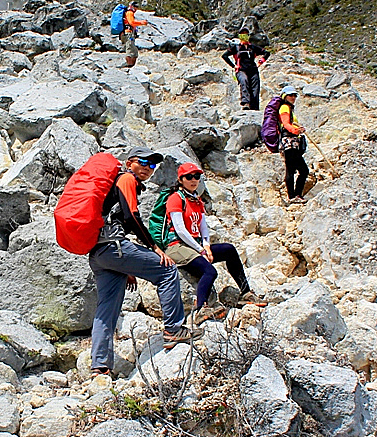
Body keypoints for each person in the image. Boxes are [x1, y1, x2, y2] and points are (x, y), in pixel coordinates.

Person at [88, 146, 195, 375]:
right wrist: (155, 247)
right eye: (142, 163)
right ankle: (174, 329)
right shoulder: (127, 179)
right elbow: (131, 217)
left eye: (152, 165)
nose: (147, 168)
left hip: (99, 254)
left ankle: (100, 366)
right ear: (129, 163)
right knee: (167, 270)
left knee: (106, 308)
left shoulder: (116, 183)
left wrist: (126, 267)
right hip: (114, 247)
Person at [160, 162, 261, 318]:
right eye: (189, 177)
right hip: (177, 246)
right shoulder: (175, 199)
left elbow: (203, 228)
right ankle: (201, 309)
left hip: (194, 245)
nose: (193, 180)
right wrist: (201, 250)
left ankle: (246, 293)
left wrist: (206, 246)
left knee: (228, 249)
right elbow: (180, 230)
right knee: (209, 271)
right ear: (180, 179)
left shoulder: (196, 200)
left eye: (197, 176)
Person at [222, 27, 270, 110]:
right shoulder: (236, 47)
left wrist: (260, 62)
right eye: (242, 34)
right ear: (240, 36)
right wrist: (234, 66)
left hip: (253, 70)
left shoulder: (253, 47)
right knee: (244, 81)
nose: (244, 36)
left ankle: (254, 108)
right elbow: (224, 56)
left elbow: (266, 53)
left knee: (255, 88)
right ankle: (245, 103)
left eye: (246, 34)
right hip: (241, 70)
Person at [278, 86, 309, 205]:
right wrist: (296, 131)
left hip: (291, 142)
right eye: (291, 95)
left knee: (294, 169)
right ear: (285, 96)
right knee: (300, 170)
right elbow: (285, 124)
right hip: (289, 142)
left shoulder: (288, 108)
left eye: (295, 95)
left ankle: (295, 195)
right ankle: (294, 196)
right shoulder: (285, 107)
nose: (293, 97)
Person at [120, 2, 150, 68]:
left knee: (132, 49)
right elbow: (131, 22)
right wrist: (141, 22)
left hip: (127, 32)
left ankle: (131, 64)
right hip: (128, 33)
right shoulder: (129, 13)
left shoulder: (129, 13)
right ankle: (129, 65)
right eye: (135, 6)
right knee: (130, 48)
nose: (136, 8)